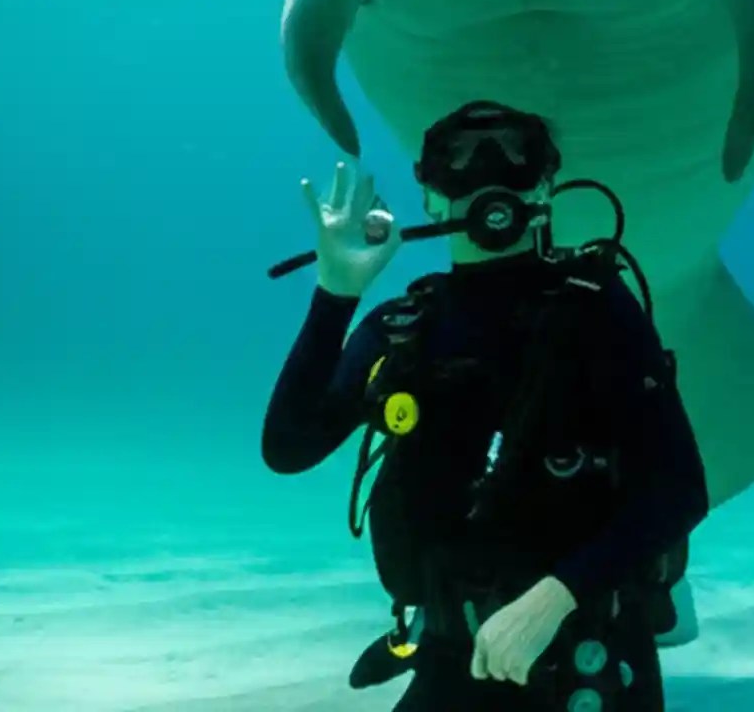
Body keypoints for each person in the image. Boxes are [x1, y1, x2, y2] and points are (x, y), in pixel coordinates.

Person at [261, 101, 709, 712]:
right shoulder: (406, 327)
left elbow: (679, 488)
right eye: (458, 161)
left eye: (515, 157)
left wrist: (554, 598)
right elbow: (288, 448)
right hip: (451, 654)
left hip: (587, 651)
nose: (488, 174)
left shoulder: (596, 309)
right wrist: (336, 292)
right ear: (429, 194)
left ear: (546, 183)